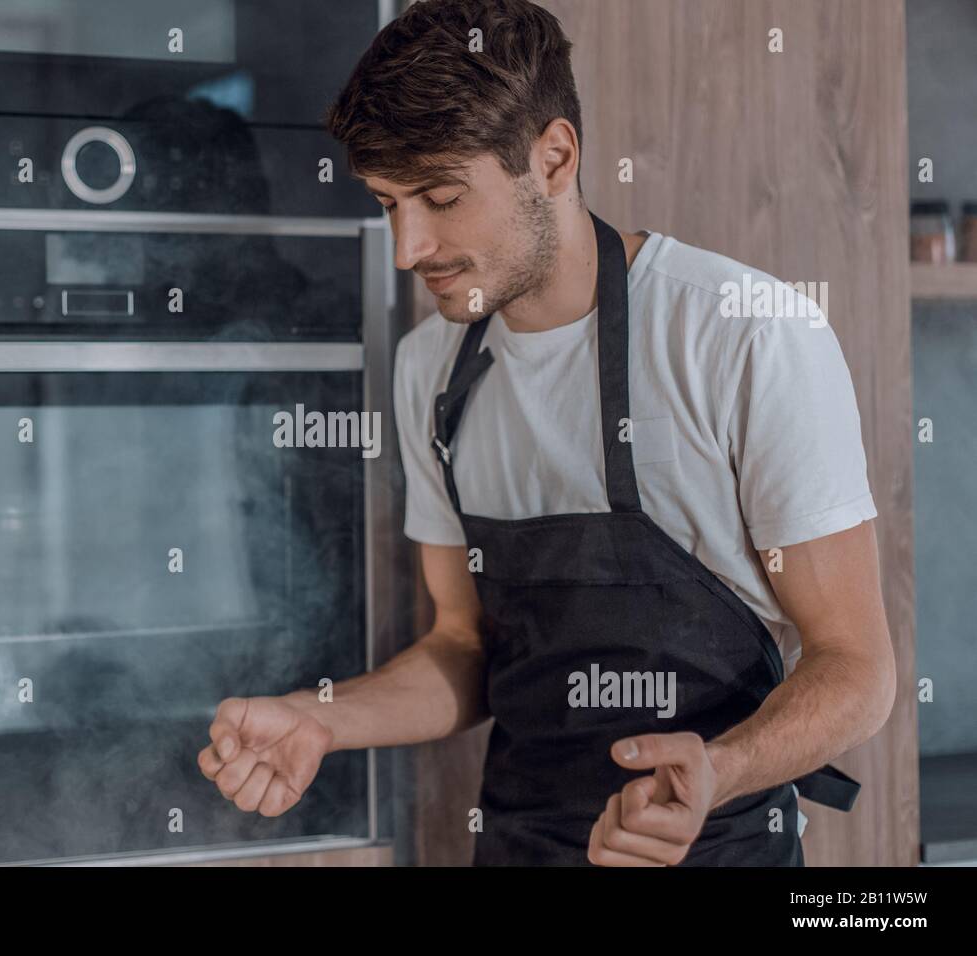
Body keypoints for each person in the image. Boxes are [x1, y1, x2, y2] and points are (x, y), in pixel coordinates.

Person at [197, 0, 895, 865]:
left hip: (716, 846)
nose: (409, 247)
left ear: (554, 159)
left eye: (441, 198)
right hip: (518, 842)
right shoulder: (433, 369)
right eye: (387, 203)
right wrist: (319, 717)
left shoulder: (744, 335)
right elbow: (467, 647)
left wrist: (719, 769)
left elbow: (856, 668)